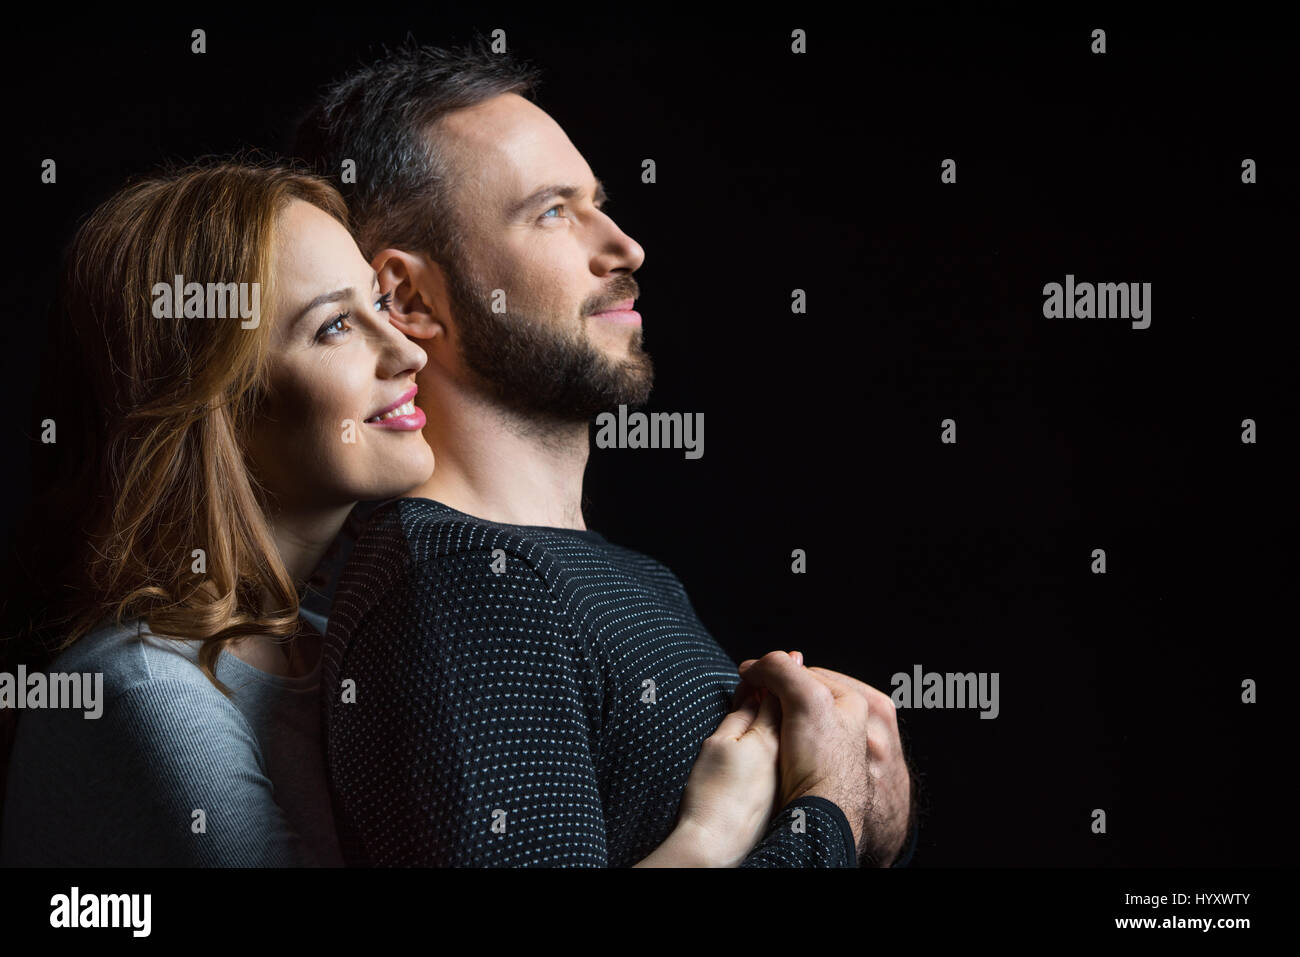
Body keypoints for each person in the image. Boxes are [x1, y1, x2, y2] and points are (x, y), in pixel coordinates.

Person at [0, 160, 779, 867]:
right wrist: (711, 837)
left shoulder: (337, 640)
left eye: (379, 304)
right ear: (217, 407)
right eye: (335, 326)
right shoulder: (142, 685)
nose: (404, 350)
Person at [292, 40, 917, 867]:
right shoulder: (463, 585)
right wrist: (829, 812)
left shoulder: (612, 575)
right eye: (553, 211)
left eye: (599, 203)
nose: (624, 248)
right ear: (409, 296)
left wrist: (874, 814)